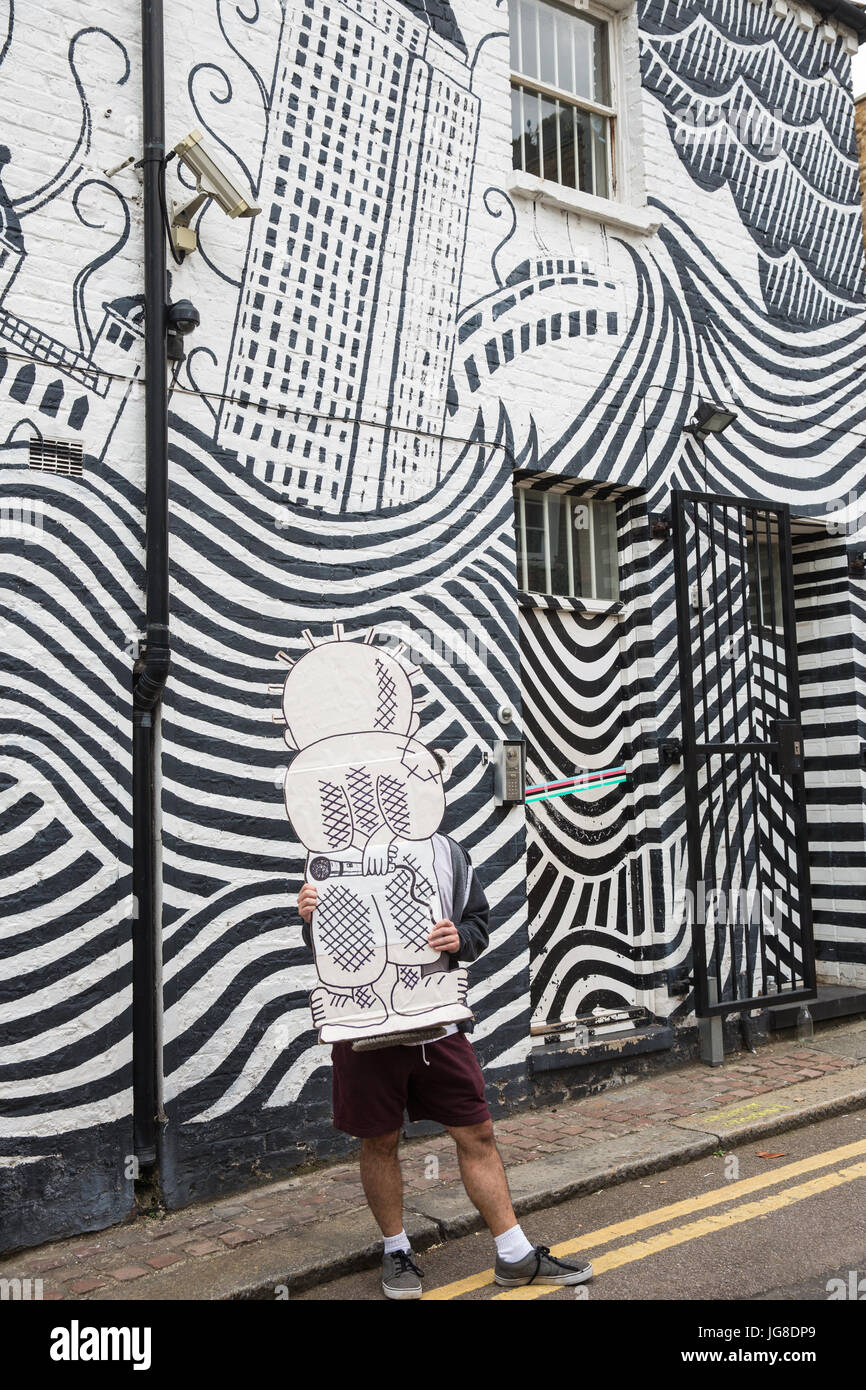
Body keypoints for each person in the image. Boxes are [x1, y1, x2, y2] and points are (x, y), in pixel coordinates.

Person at [297, 828, 594, 1300]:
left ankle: (515, 1255)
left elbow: (477, 924)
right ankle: (396, 1250)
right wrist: (310, 919)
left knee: (477, 1132)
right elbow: (324, 951)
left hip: (438, 1023)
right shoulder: (330, 852)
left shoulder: (448, 853)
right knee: (379, 1141)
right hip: (364, 1027)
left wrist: (461, 937)